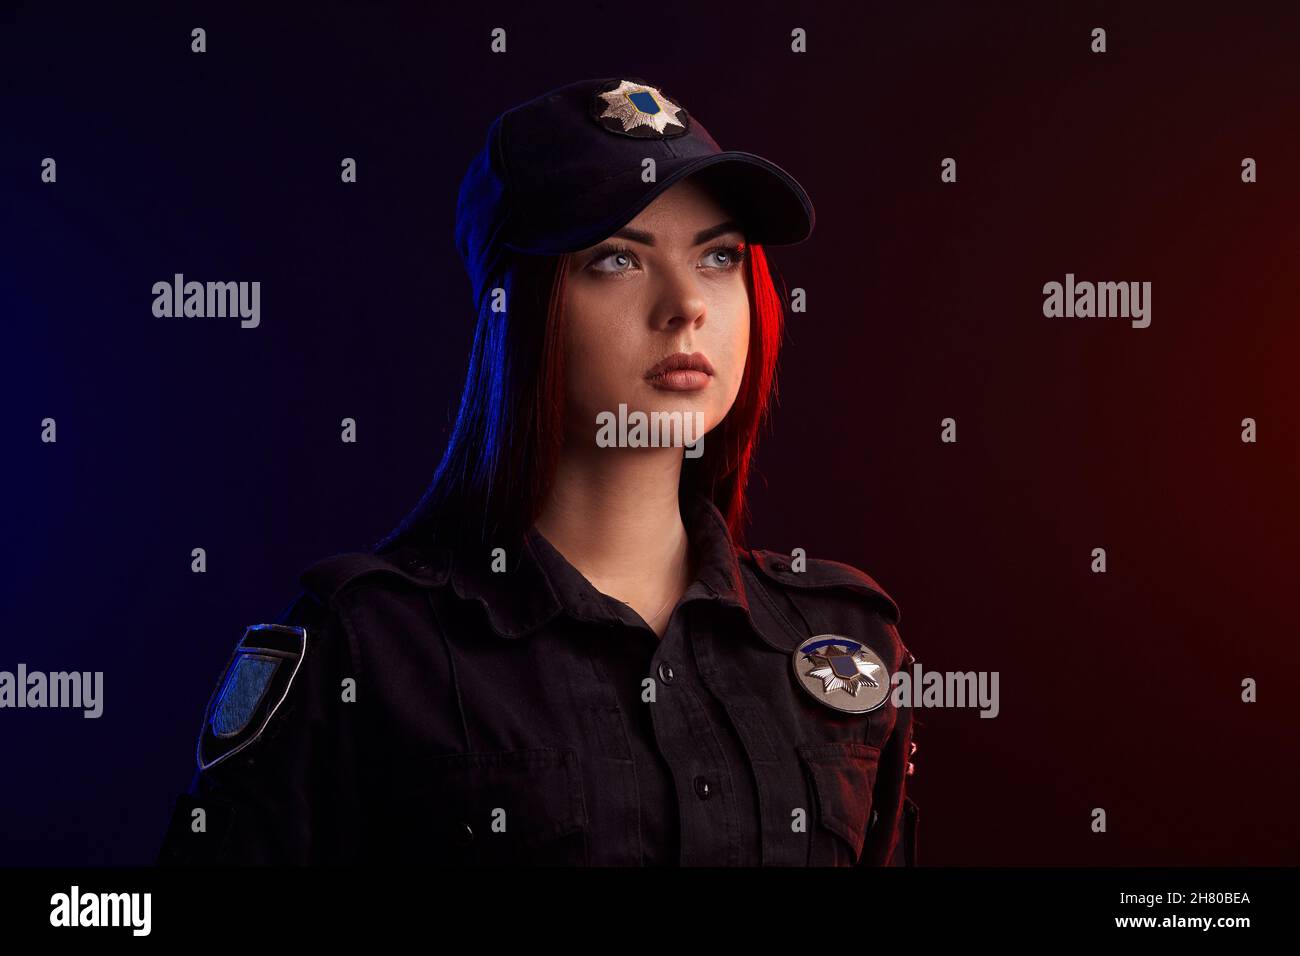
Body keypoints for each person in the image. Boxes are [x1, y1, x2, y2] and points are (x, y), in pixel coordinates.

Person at [157, 76, 919, 867]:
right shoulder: (369, 651)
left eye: (719, 255)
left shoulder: (847, 640)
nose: (687, 304)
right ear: (516, 306)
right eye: (617, 259)